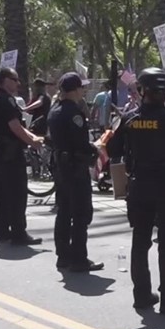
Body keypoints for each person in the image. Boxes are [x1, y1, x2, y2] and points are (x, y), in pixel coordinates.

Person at [107, 68, 165, 313]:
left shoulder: (130, 119)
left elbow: (112, 148)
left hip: (139, 187)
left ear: (142, 91)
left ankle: (142, 295)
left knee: (140, 241)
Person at [48, 72, 102, 274]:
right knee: (80, 214)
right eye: (82, 87)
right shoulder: (73, 113)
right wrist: (95, 149)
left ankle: (63, 256)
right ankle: (79, 258)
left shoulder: (54, 110)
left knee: (63, 211)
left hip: (61, 166)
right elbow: (79, 143)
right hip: (74, 167)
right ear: (75, 89)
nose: (84, 91)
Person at [0, 67, 44, 245]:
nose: (18, 83)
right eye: (14, 79)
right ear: (4, 80)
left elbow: (18, 124)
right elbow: (14, 127)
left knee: (2, 194)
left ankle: (2, 231)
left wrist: (33, 137)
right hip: (9, 152)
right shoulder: (4, 100)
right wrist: (33, 142)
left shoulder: (0, 99)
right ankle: (18, 233)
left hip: (1, 151)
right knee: (17, 193)